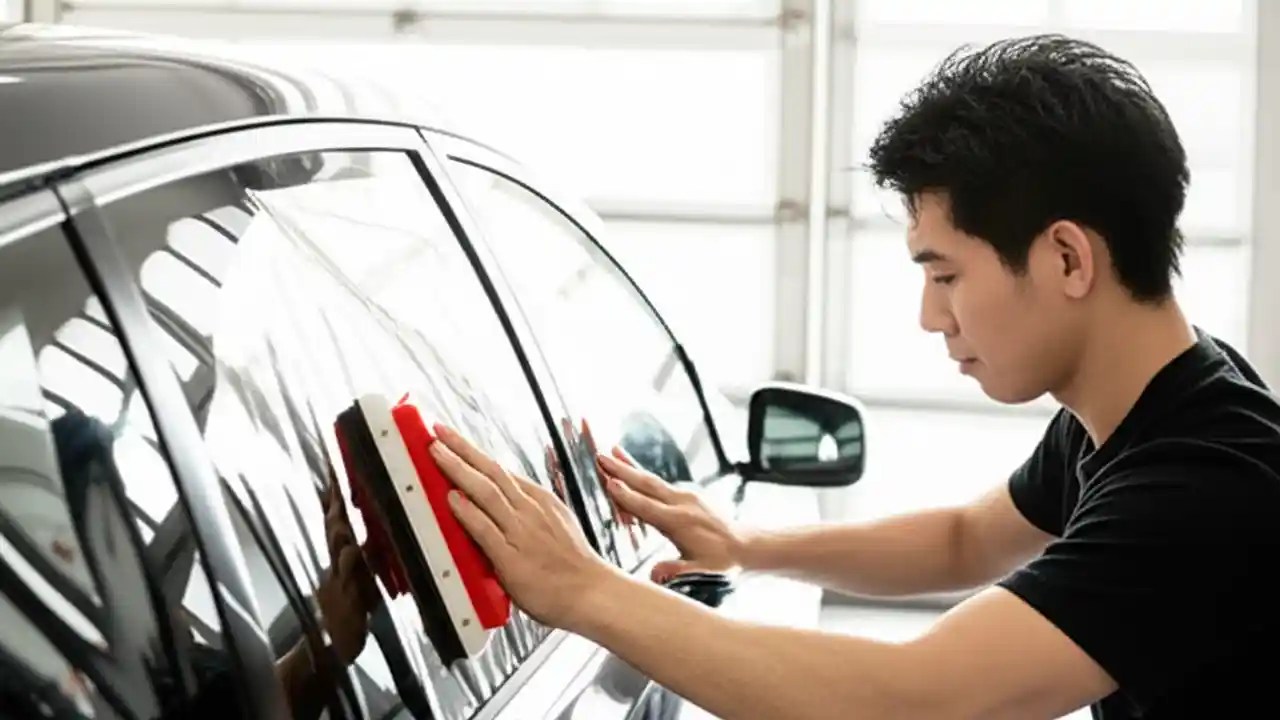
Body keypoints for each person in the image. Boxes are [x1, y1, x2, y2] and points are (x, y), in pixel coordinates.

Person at [426, 33, 1280, 720]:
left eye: (945, 275)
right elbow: (964, 540)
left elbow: (921, 699)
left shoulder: (1205, 486)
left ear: (1066, 257)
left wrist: (583, 591)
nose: (930, 316)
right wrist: (746, 548)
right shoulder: (1150, 409)